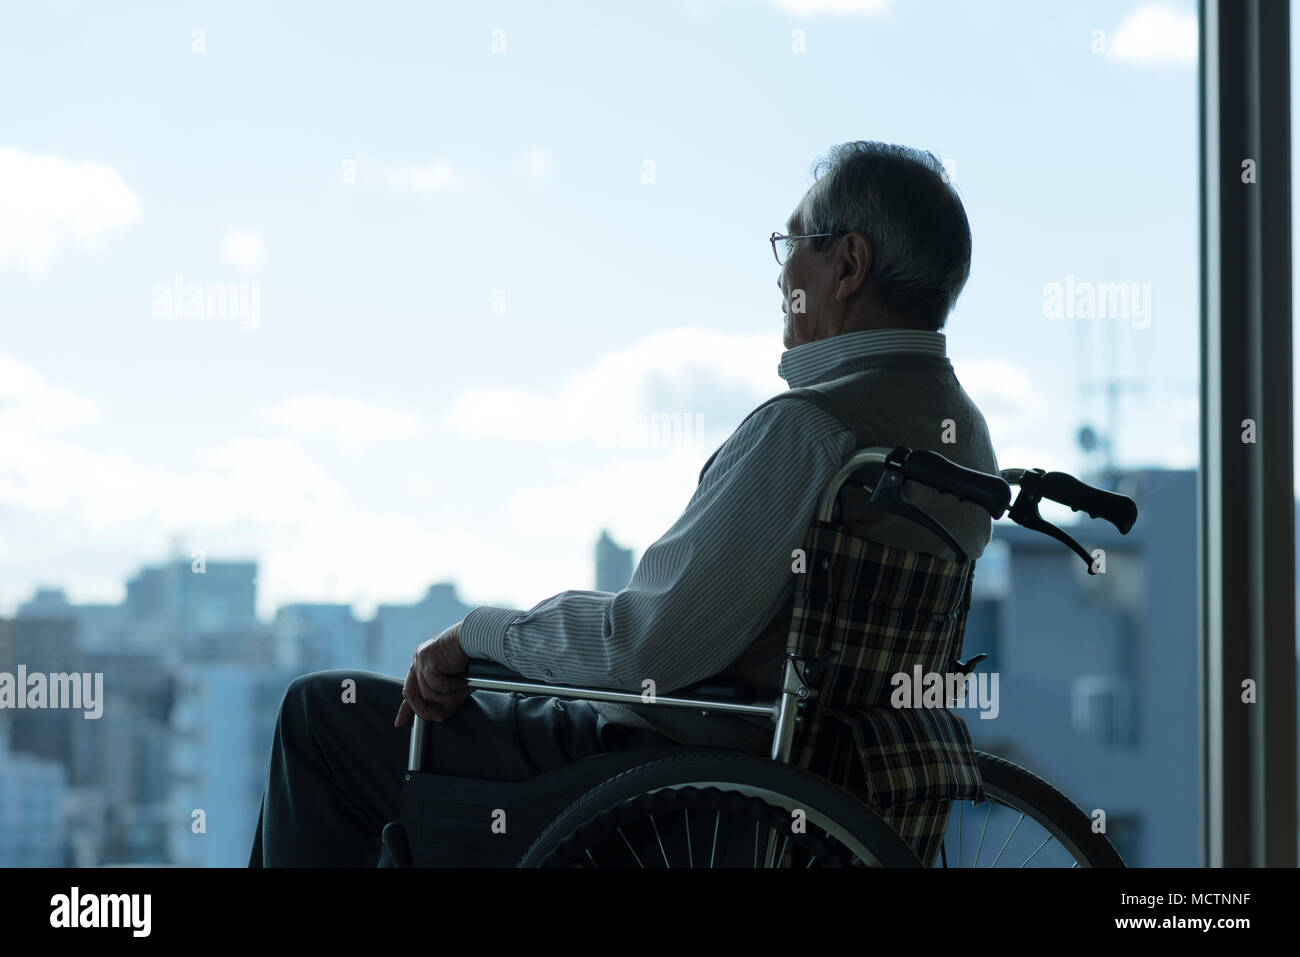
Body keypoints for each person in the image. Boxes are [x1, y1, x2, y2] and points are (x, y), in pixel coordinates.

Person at [249, 140, 998, 866]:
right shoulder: (965, 440)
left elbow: (644, 649)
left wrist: (481, 634)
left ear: (850, 263)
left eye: (793, 243)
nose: (779, 277)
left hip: (684, 790)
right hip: (832, 797)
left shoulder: (810, 431)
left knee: (323, 714)